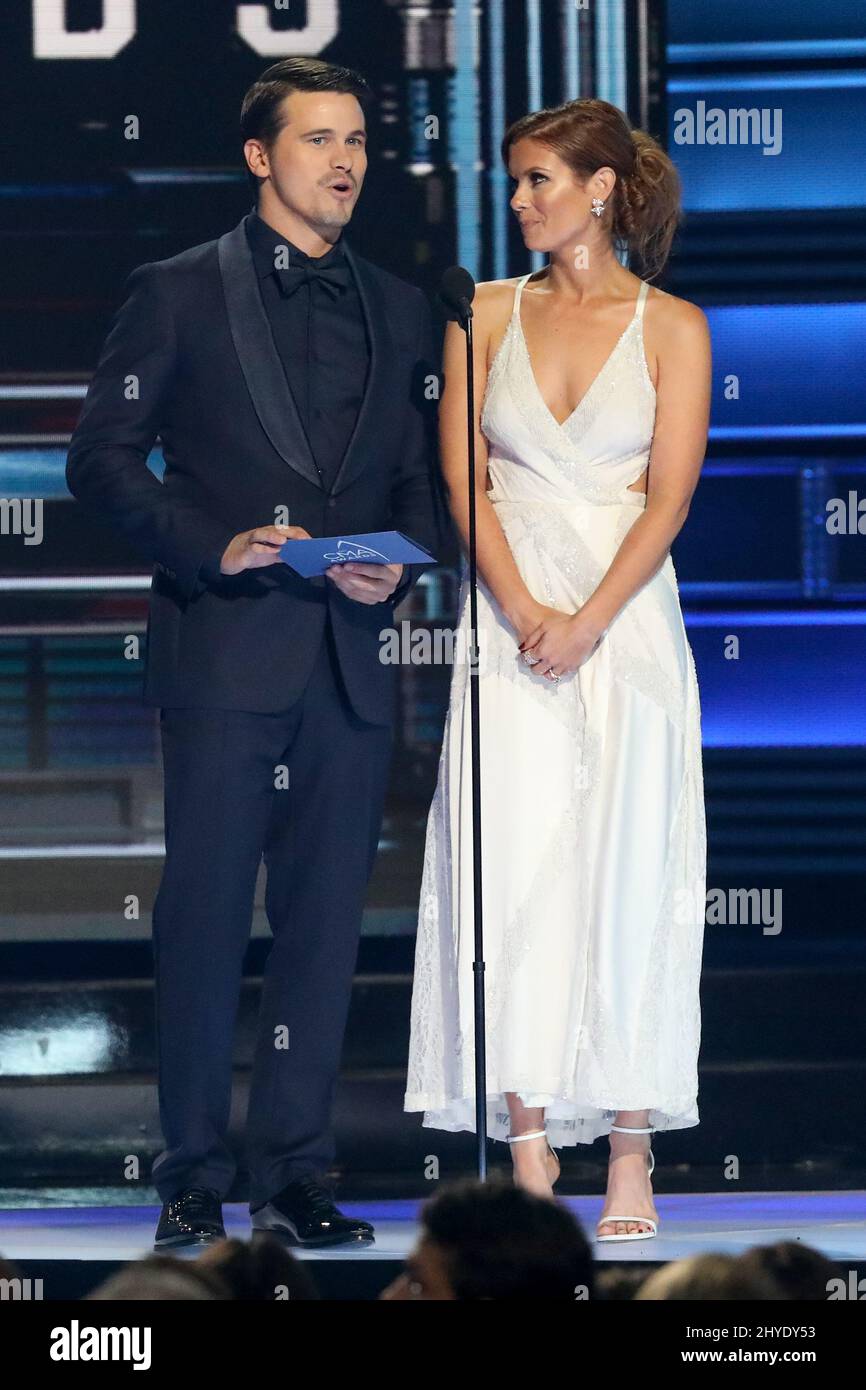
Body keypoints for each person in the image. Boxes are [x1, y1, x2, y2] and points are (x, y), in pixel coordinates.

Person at [66, 57, 443, 1251]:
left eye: (355, 141)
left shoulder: (402, 307)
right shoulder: (175, 293)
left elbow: (423, 485)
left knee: (327, 926)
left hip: (346, 658)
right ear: (259, 157)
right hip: (226, 654)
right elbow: (100, 457)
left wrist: (405, 559)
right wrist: (213, 544)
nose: (343, 161)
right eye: (318, 139)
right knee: (207, 919)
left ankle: (294, 1170)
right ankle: (189, 1173)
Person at [404, 98, 710, 1243]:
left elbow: (668, 497)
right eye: (516, 179)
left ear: (600, 190)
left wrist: (585, 617)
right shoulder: (478, 314)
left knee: (627, 868)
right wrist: (528, 608)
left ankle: (629, 1150)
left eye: (539, 180)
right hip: (507, 622)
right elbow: (463, 486)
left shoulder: (671, 326)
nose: (521, 199)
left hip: (624, 629)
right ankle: (526, 1149)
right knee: (509, 871)